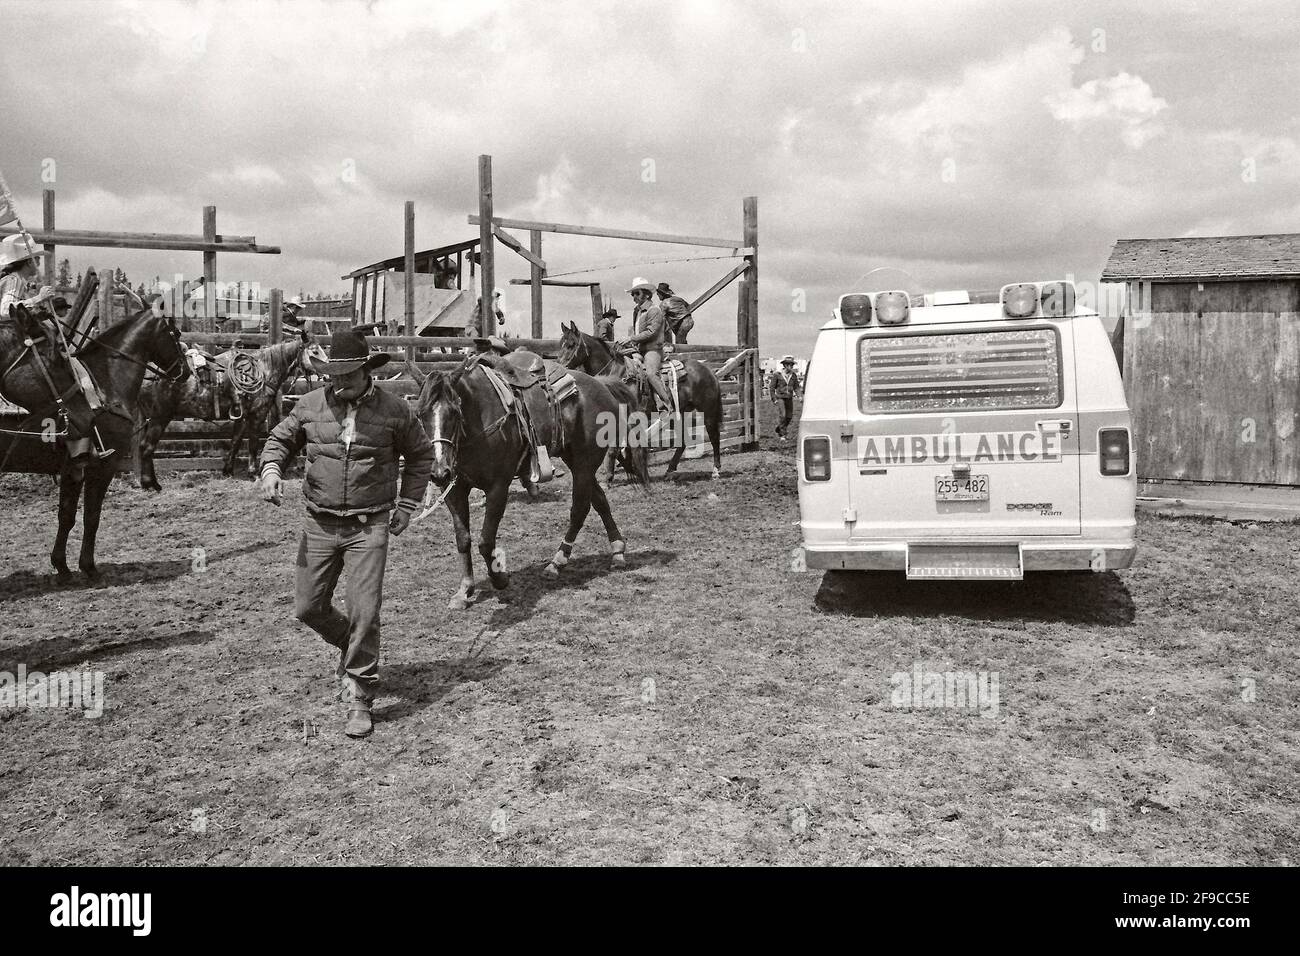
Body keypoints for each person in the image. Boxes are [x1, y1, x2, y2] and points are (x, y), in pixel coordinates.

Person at [259, 327, 434, 739]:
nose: (340, 385)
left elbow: (422, 455)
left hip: (369, 525)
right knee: (308, 608)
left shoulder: (395, 411)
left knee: (365, 611)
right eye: (333, 377)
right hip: (318, 523)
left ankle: (360, 694)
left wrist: (408, 504)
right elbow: (279, 440)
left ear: (366, 372)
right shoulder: (309, 405)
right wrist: (271, 469)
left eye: (348, 378)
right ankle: (351, 645)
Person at [0, 234, 111, 459]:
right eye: (36, 260)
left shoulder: (15, 280)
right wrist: (37, 300)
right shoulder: (14, 280)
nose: (38, 264)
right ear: (28, 261)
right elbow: (5, 311)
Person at [618, 277, 673, 411]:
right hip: (639, 349)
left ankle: (667, 405)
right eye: (633, 294)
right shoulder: (637, 311)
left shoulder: (654, 310)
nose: (634, 297)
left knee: (650, 373)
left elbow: (651, 332)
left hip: (652, 349)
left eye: (637, 293)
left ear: (647, 294)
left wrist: (632, 339)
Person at [771, 355, 800, 440]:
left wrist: (800, 396)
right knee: (783, 415)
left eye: (792, 365)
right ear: (785, 365)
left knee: (789, 417)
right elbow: (772, 387)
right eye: (789, 365)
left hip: (789, 398)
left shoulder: (793, 375)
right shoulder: (777, 374)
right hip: (780, 398)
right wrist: (774, 399)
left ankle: (779, 428)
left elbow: (796, 387)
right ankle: (783, 435)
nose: (791, 366)